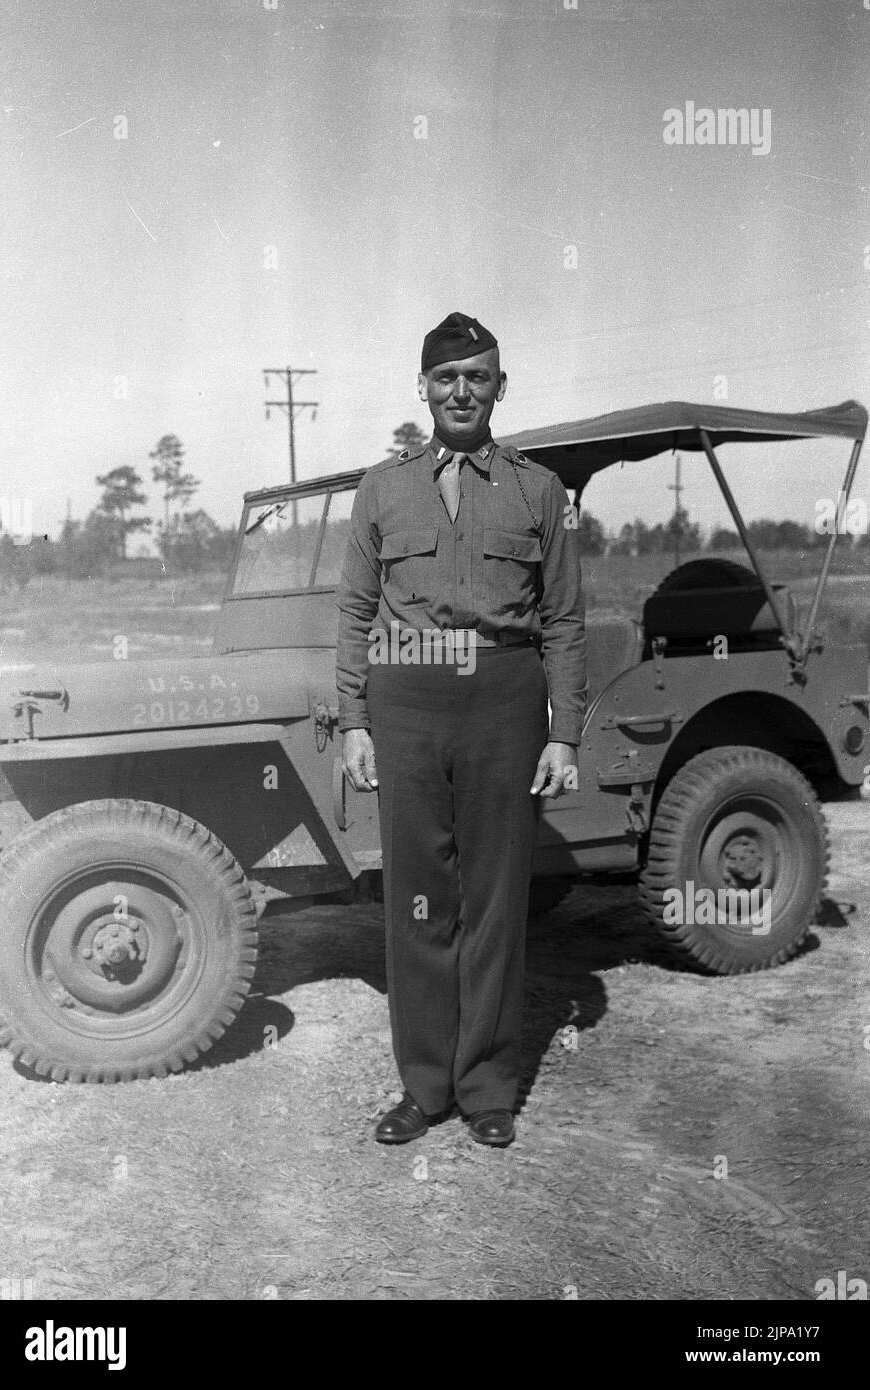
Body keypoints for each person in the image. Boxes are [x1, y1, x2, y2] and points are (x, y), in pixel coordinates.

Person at [336, 311, 586, 1146]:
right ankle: (424, 1086)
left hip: (503, 698)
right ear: (422, 387)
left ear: (499, 388)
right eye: (446, 378)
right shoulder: (383, 486)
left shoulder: (536, 489)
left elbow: (564, 621)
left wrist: (564, 733)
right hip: (405, 695)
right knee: (416, 898)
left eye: (477, 377)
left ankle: (485, 1091)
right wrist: (354, 721)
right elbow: (354, 612)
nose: (461, 392)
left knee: (492, 898)